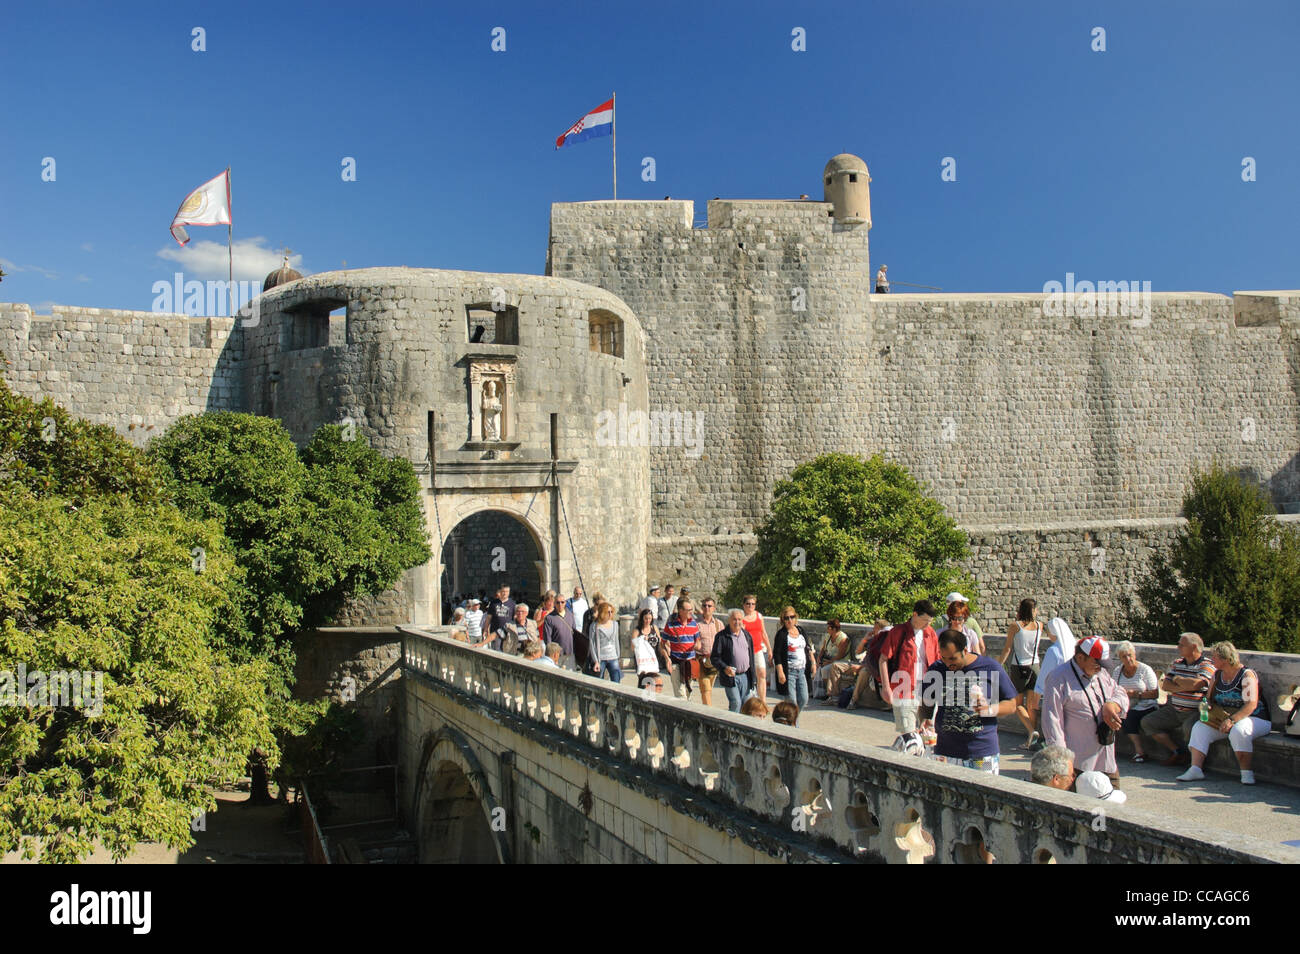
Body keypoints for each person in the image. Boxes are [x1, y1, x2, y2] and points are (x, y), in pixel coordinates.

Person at [919, 628, 1018, 774]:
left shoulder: (990, 667)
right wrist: (924, 720)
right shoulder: (936, 670)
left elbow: (1012, 705)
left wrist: (988, 709)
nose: (948, 664)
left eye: (953, 659)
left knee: (985, 794)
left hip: (982, 754)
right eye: (943, 658)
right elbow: (926, 704)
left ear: (965, 650)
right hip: (945, 753)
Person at [1177, 641, 1272, 785]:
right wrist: (1206, 706)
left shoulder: (1246, 675)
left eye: (1214, 657)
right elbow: (1208, 698)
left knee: (1239, 731)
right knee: (1199, 728)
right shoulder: (1217, 675)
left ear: (1225, 659)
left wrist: (1232, 721)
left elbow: (1251, 704)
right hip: (1224, 717)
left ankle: (1246, 772)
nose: (1211, 660)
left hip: (1254, 718)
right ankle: (1195, 769)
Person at [1040, 635, 1128, 787]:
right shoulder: (1058, 679)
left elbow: (1120, 692)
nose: (1100, 667)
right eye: (1096, 662)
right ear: (1080, 658)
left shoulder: (1101, 673)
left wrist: (1112, 705)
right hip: (1078, 768)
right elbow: (1052, 723)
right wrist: (1063, 765)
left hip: (1107, 763)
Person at [1141, 632, 1216, 767]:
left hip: (1195, 711)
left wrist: (1177, 680)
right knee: (1148, 722)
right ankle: (1177, 752)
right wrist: (1186, 686)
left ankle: (1195, 763)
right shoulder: (1177, 663)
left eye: (1181, 645)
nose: (1178, 648)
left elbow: (1197, 684)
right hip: (1174, 709)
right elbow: (1165, 685)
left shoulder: (1206, 665)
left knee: (1189, 728)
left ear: (1193, 647)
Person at [877, 600, 940, 742]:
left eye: (930, 621)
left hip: (927, 691)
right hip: (903, 689)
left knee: (928, 736)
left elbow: (937, 662)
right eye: (924, 620)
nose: (927, 624)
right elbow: (883, 660)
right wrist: (886, 687)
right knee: (909, 736)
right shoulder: (898, 632)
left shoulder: (931, 634)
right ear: (915, 615)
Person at [1024, 617, 1078, 750]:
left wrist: (1037, 695)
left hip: (1056, 692)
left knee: (1054, 722)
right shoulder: (1074, 647)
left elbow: (1045, 675)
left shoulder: (1053, 651)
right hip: (1073, 691)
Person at [1000, 598, 1045, 736]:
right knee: (1032, 706)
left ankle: (1031, 732)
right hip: (1035, 666)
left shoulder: (1015, 626)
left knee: (1017, 704)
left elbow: (1007, 649)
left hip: (1018, 667)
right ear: (1033, 610)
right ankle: (1032, 738)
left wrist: (998, 664)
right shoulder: (1040, 626)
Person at [1113, 641, 1159, 763]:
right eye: (1124, 656)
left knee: (1128, 717)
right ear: (1120, 658)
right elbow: (1112, 689)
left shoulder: (1145, 670)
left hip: (1146, 704)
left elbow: (1155, 693)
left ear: (1134, 654)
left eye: (1130, 655)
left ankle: (1139, 751)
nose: (1128, 659)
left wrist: (1136, 694)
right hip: (1125, 704)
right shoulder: (1118, 671)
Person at [711, 609, 755, 712]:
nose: (737, 622)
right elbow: (714, 658)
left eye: (739, 619)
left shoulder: (747, 635)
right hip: (731, 677)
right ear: (729, 620)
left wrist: (754, 677)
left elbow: (751, 657)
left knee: (746, 705)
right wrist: (725, 668)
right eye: (734, 619)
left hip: (745, 675)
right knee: (736, 703)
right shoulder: (721, 636)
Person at [845, 620, 894, 710]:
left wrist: (861, 667)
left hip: (875, 667)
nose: (873, 630)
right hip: (867, 664)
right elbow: (858, 651)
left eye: (875, 628)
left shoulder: (886, 639)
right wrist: (865, 639)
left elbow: (878, 660)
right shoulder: (873, 640)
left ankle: (854, 700)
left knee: (864, 672)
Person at [773, 607, 815, 711]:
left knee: (804, 699)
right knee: (791, 701)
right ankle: (792, 723)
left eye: (792, 617)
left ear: (795, 618)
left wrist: (813, 662)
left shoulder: (800, 630)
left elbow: (808, 647)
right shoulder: (782, 634)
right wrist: (780, 672)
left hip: (801, 670)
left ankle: (792, 719)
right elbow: (776, 654)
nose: (789, 620)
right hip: (789, 672)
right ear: (783, 620)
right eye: (786, 618)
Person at [662, 597, 700, 699]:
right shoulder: (671, 625)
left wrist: (696, 646)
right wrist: (667, 658)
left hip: (690, 663)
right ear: (680, 610)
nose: (691, 612)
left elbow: (698, 642)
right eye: (688, 610)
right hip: (676, 662)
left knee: (688, 693)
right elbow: (662, 644)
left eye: (691, 609)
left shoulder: (694, 624)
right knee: (680, 695)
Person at [694, 596, 724, 707]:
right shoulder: (696, 624)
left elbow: (723, 641)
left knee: (709, 688)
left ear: (714, 608)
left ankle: (706, 709)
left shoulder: (718, 624)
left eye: (709, 606)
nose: (707, 608)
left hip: (714, 661)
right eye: (704, 606)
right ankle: (710, 713)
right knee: (705, 689)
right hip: (701, 660)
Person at [740, 595, 770, 703]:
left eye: (753, 604)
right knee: (748, 676)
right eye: (748, 603)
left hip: (758, 649)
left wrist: (769, 649)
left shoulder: (759, 616)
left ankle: (762, 701)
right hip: (746, 651)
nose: (750, 606)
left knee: (762, 673)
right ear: (744, 605)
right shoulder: (741, 618)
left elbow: (763, 633)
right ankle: (748, 700)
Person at [813, 619, 851, 701]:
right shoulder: (828, 636)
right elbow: (823, 649)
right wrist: (819, 659)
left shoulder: (843, 638)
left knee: (826, 669)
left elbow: (841, 655)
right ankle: (826, 692)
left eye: (828, 628)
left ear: (834, 629)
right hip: (829, 659)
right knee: (821, 668)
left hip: (841, 661)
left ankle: (830, 693)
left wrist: (829, 662)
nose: (827, 629)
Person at [589, 601, 622, 684]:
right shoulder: (595, 626)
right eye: (608, 612)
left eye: (611, 612)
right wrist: (596, 661)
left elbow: (616, 640)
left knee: (616, 681)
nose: (610, 614)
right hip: (601, 658)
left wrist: (618, 656)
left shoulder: (615, 624)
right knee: (599, 682)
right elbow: (592, 644)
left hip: (613, 656)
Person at [632, 613, 665, 693]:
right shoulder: (637, 630)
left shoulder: (654, 628)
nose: (648, 621)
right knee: (644, 681)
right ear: (642, 619)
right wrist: (642, 640)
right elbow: (633, 647)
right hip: (643, 660)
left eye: (649, 618)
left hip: (653, 659)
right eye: (646, 618)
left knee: (654, 680)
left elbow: (659, 641)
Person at [541, 597, 577, 670]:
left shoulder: (570, 615)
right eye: (557, 602)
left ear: (565, 603)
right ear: (554, 604)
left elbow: (574, 633)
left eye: (562, 602)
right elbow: (547, 639)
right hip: (556, 655)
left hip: (570, 653)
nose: (560, 604)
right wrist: (551, 655)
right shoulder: (549, 618)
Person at [484, 585, 516, 650]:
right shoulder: (493, 603)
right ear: (500, 592)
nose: (504, 593)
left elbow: (514, 618)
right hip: (495, 632)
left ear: (509, 592)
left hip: (507, 633)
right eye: (503, 591)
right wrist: (485, 629)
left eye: (506, 591)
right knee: (495, 651)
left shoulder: (512, 604)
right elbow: (489, 617)